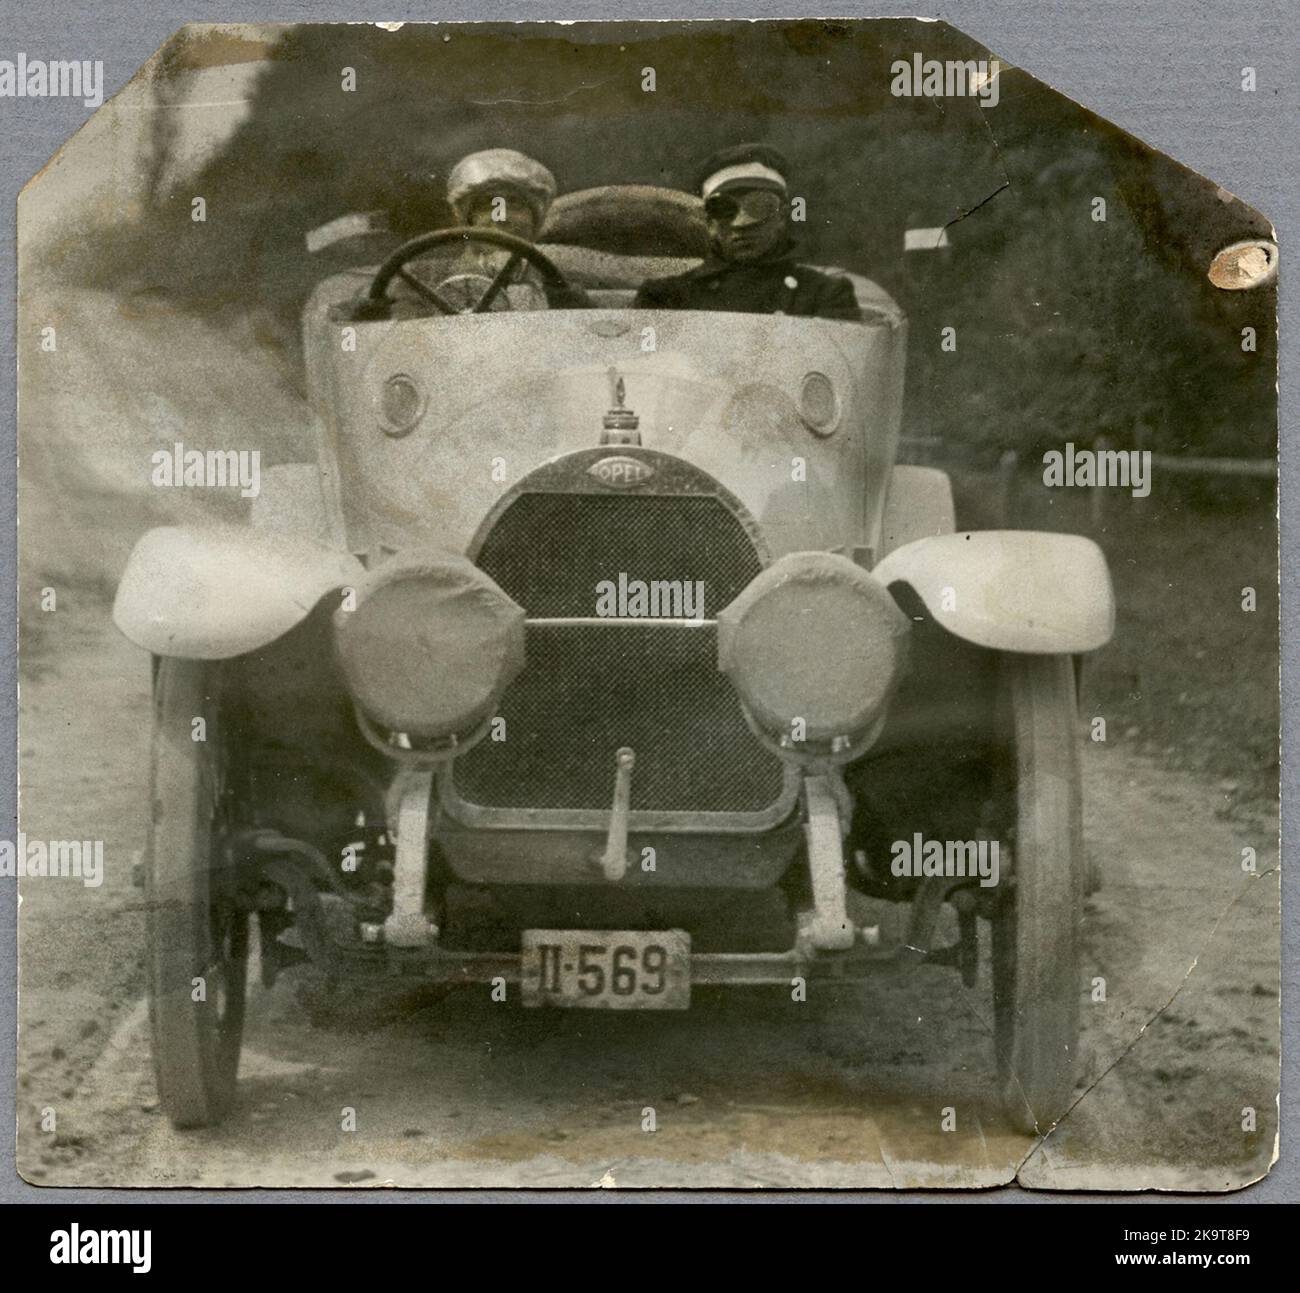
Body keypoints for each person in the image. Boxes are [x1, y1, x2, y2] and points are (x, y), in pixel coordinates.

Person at [633, 143, 862, 322]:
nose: (741, 224)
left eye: (760, 207)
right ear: (709, 223)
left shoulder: (825, 294)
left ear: (781, 217)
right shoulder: (665, 297)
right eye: (724, 209)